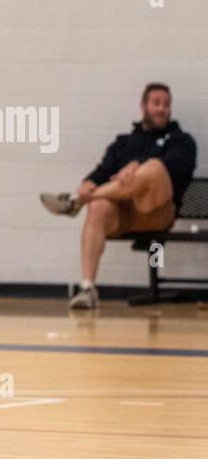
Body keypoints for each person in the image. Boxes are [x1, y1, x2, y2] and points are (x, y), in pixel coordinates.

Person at [40, 83, 197, 309]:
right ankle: (87, 289)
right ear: (143, 106)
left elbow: (169, 167)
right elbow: (103, 171)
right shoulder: (123, 143)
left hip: (157, 212)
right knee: (98, 207)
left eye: (166, 104)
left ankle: (75, 202)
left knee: (153, 168)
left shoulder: (181, 141)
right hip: (125, 215)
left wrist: (137, 166)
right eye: (156, 103)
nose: (162, 109)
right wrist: (88, 183)